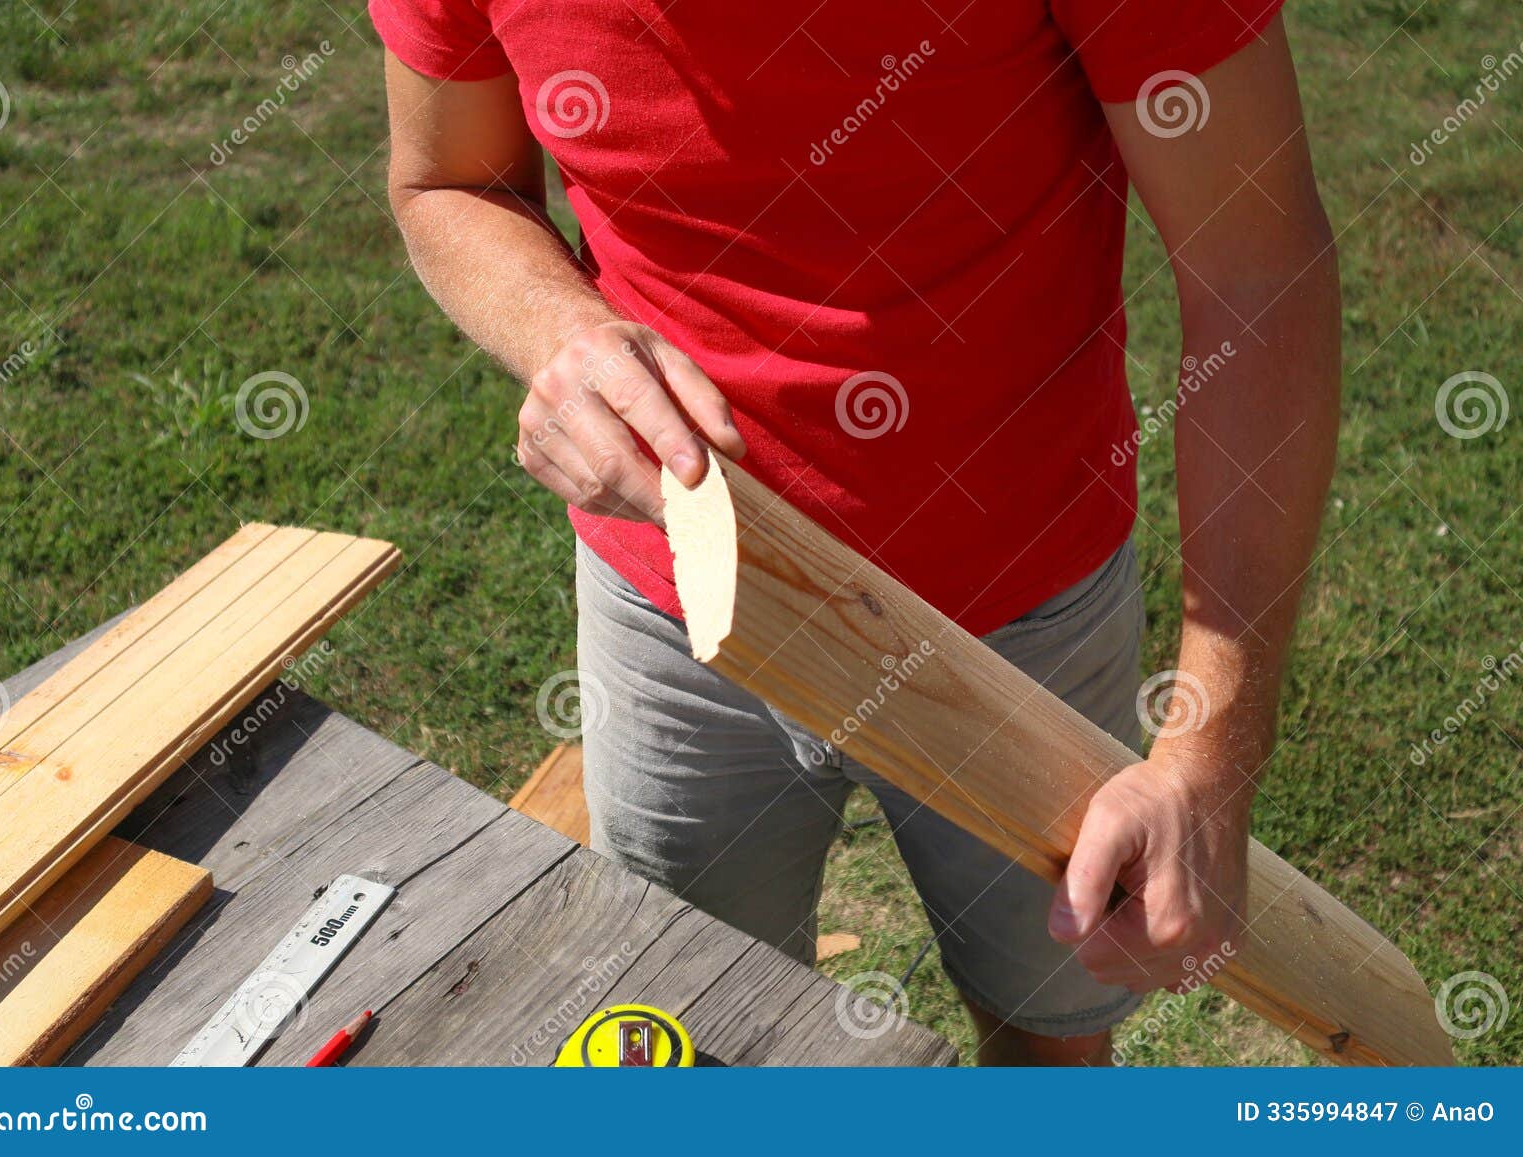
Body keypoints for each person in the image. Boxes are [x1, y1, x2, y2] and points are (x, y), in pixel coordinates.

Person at [372, 0, 1340, 1065]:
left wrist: (1211, 750)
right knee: (692, 1031)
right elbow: (447, 180)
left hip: (1019, 607)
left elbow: (1257, 271)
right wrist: (563, 327)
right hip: (675, 607)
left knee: (1048, 1030)